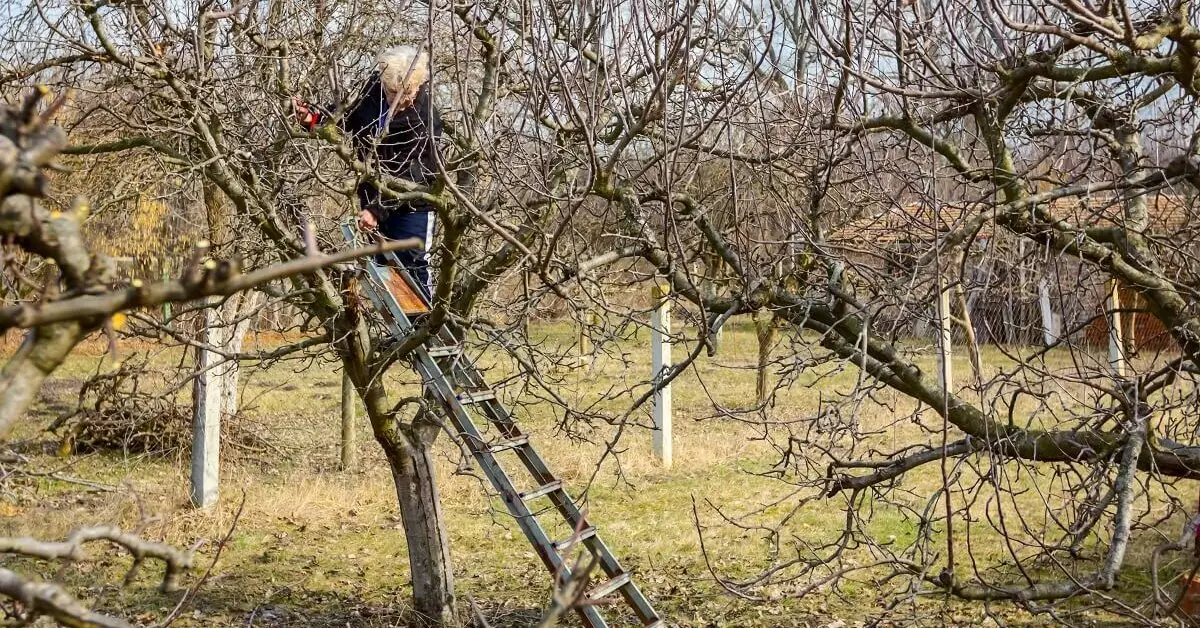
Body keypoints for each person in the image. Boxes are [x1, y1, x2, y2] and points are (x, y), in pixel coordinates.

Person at [295, 46, 442, 301]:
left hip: (412, 205)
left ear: (418, 86)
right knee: (382, 269)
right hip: (372, 193)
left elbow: (412, 175)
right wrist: (313, 119)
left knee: (411, 268)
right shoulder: (372, 92)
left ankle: (424, 334)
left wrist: (376, 210)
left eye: (408, 92)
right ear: (385, 84)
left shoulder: (425, 119)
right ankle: (396, 337)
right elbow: (344, 117)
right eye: (395, 93)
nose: (402, 100)